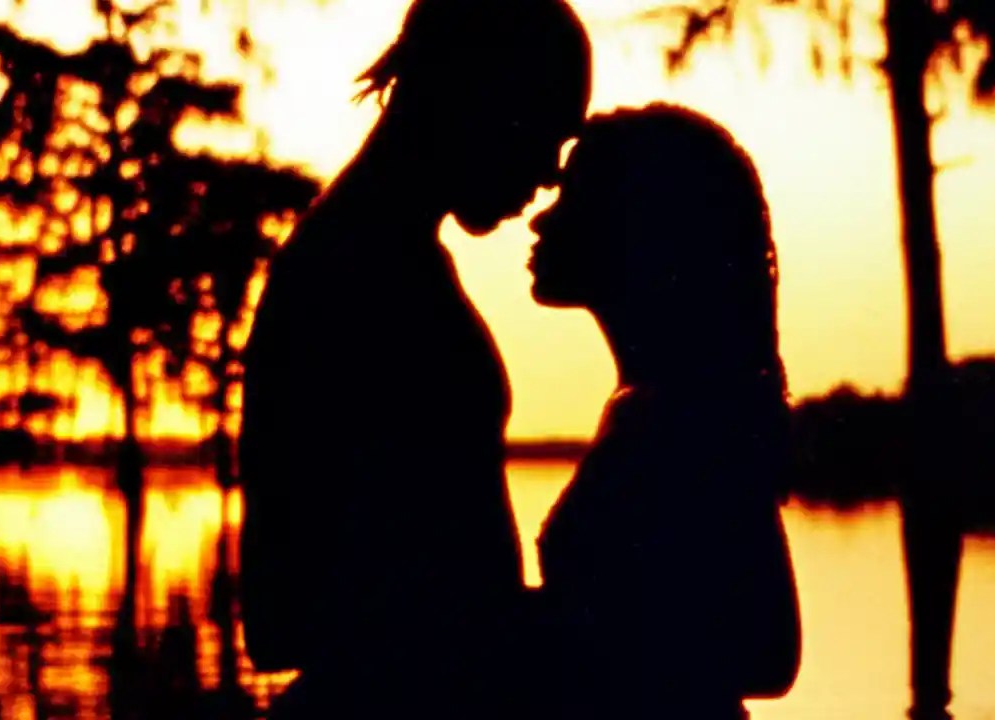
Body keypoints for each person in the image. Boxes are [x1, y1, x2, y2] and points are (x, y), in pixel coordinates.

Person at [237, 1, 592, 717]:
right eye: (544, 132)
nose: (552, 174)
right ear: (480, 96)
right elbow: (283, 614)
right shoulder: (352, 274)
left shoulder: (386, 260)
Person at [526, 104, 802, 720]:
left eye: (574, 197)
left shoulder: (683, 419)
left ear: (637, 229)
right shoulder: (652, 407)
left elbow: (769, 650)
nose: (540, 219)